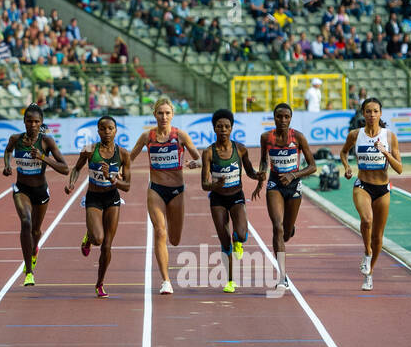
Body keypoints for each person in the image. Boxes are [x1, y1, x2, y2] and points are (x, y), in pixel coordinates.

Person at [130, 97, 201, 295]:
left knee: (175, 239)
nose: (164, 116)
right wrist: (118, 171)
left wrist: (199, 163)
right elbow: (130, 157)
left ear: (172, 115)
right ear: (154, 114)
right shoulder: (147, 137)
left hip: (177, 190)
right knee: (160, 232)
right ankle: (166, 280)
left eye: (167, 113)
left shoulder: (181, 136)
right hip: (156, 190)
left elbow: (200, 158)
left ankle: (168, 259)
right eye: (160, 113)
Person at [251, 103, 318, 290]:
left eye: (286, 117)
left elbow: (313, 166)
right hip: (275, 185)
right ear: (274, 118)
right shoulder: (266, 137)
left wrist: (293, 175)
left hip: (294, 185)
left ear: (291, 118)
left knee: (286, 232)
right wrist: (260, 178)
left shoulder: (298, 137)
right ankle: (282, 276)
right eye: (279, 116)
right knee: (277, 227)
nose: (282, 120)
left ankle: (290, 229)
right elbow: (264, 160)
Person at [1, 105, 69, 286]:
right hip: (22, 189)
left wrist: (43, 158)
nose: (32, 124)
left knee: (36, 231)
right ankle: (28, 271)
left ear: (41, 123)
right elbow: (8, 151)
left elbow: (65, 168)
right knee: (26, 221)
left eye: (36, 121)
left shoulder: (47, 142)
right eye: (29, 121)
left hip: (40, 190)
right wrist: (7, 165)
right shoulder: (15, 139)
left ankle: (34, 250)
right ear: (24, 122)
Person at [339, 98, 402, 291]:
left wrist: (386, 153)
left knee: (378, 236)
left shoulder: (389, 137)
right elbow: (343, 152)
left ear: (381, 114)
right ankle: (367, 253)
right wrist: (348, 167)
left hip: (383, 189)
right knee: (366, 220)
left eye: (375, 111)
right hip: (363, 185)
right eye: (368, 111)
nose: (372, 115)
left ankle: (370, 273)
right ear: (363, 113)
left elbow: (399, 169)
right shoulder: (355, 135)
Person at [66, 115, 131, 297]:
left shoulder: (123, 154)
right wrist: (71, 183)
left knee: (107, 246)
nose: (107, 132)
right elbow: (77, 168)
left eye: (110, 128)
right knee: (98, 239)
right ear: (98, 131)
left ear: (116, 130)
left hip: (112, 198)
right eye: (103, 128)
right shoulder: (89, 150)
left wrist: (112, 178)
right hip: (94, 197)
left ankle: (100, 283)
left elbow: (127, 186)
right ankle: (89, 236)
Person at [201, 109, 259, 293]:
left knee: (240, 234)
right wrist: (215, 185)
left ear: (232, 128)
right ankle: (230, 280)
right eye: (219, 126)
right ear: (214, 128)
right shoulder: (209, 152)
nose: (223, 130)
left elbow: (249, 171)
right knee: (224, 241)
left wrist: (258, 176)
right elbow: (204, 184)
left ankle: (238, 241)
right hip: (217, 198)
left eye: (226, 126)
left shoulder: (240, 149)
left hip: (236, 196)